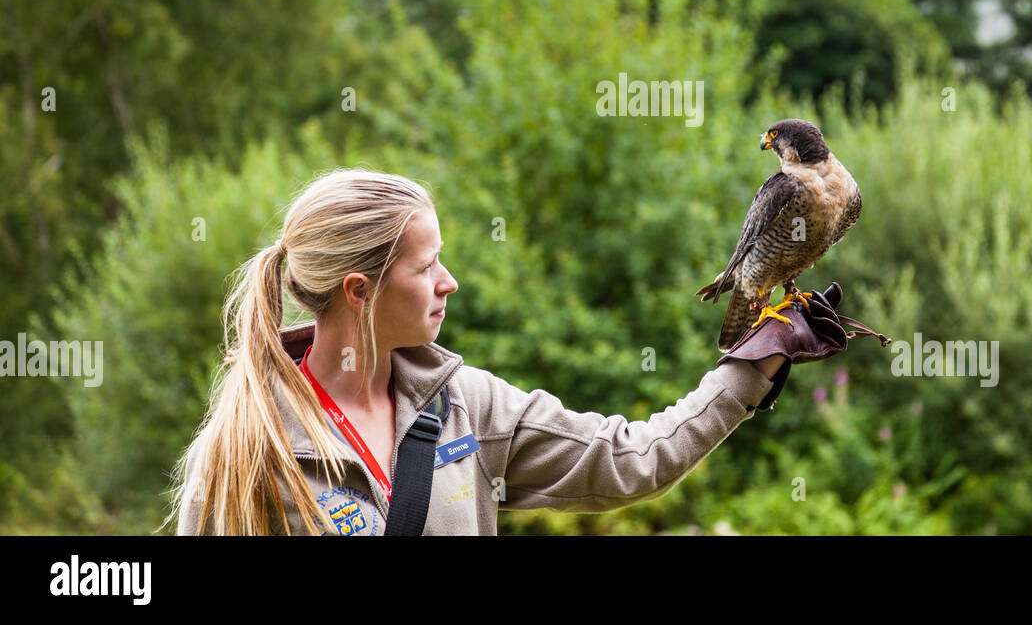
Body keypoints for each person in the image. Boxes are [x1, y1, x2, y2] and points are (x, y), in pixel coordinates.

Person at [167, 168, 846, 535]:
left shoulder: (469, 407)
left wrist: (753, 365)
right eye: (426, 266)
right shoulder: (244, 453)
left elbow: (630, 462)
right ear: (359, 291)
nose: (448, 282)